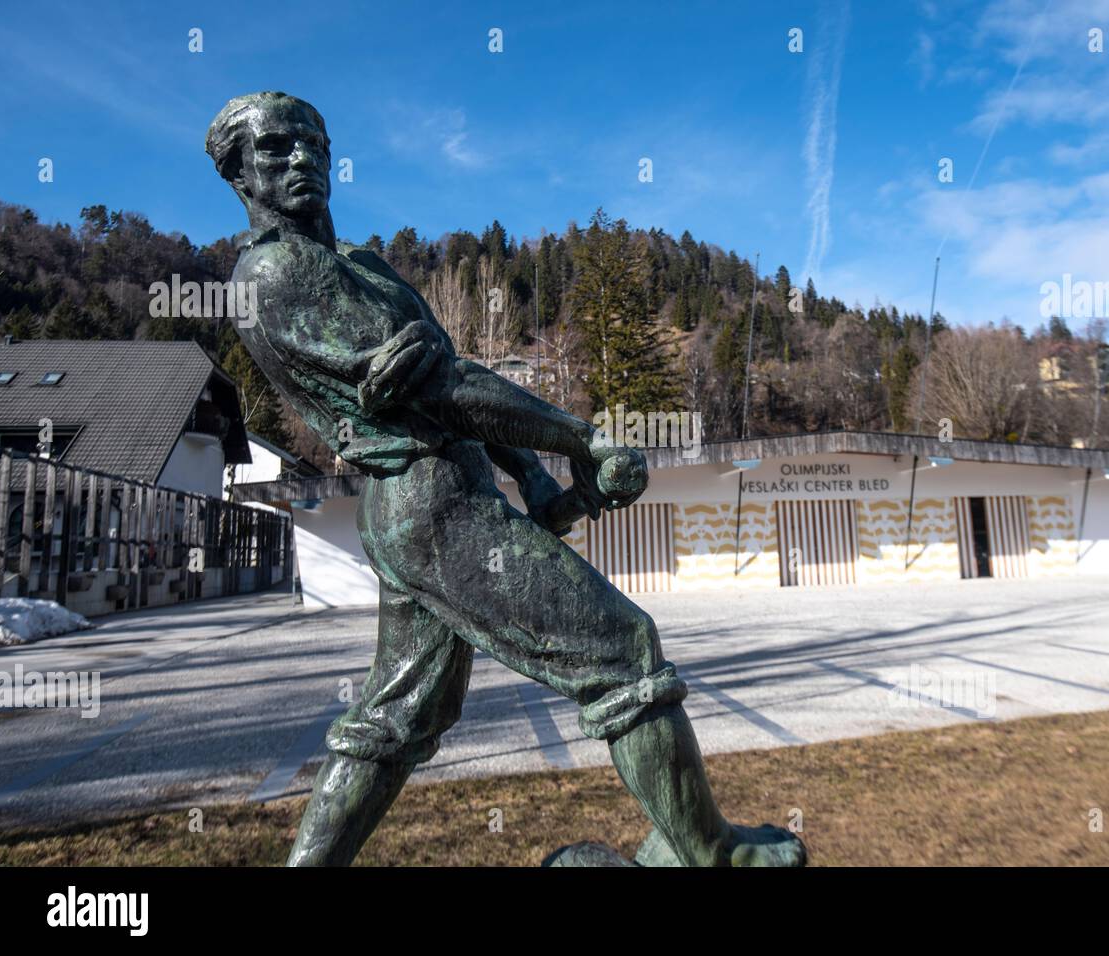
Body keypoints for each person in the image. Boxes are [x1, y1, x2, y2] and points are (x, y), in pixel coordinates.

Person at [206, 92, 806, 867]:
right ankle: (712, 853)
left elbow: (458, 374)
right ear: (237, 173)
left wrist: (534, 475)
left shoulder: (356, 265)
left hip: (436, 497)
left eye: (314, 144)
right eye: (278, 148)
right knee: (622, 649)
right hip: (429, 503)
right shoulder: (277, 272)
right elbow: (440, 389)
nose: (303, 159)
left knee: (398, 719)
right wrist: (578, 438)